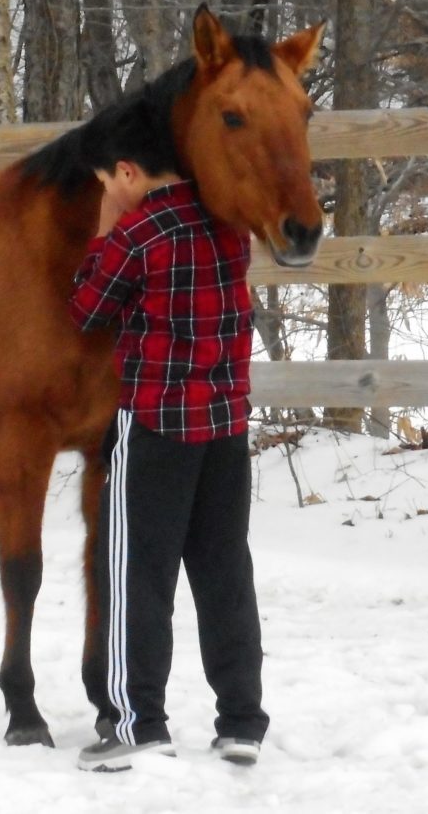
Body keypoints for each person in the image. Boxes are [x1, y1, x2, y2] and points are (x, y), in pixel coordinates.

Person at [70, 141, 270, 773]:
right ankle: (241, 721)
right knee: (224, 570)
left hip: (155, 426)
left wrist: (106, 223)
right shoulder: (231, 226)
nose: (107, 191)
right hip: (226, 426)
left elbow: (86, 309)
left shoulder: (138, 234)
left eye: (109, 180)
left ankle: (137, 724)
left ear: (129, 171)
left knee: (135, 574)